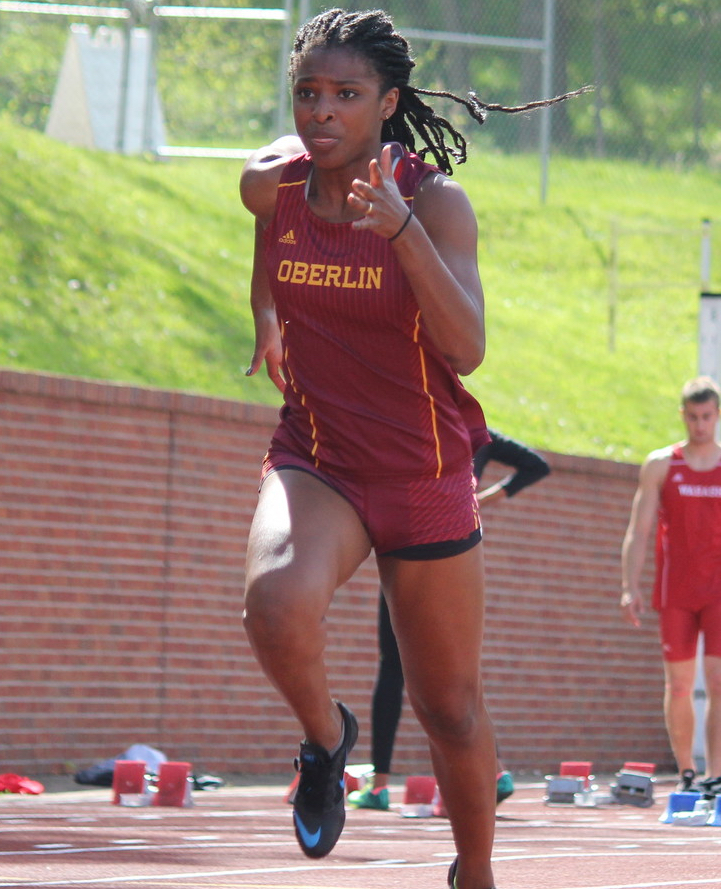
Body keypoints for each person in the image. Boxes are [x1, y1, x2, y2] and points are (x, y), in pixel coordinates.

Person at [237, 10, 581, 887]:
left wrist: (400, 231)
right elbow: (264, 240)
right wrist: (267, 316)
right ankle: (327, 742)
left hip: (424, 474)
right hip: (318, 455)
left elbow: (467, 348)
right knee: (274, 606)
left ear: (387, 104)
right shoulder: (274, 185)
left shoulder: (435, 202)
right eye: (308, 93)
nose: (321, 113)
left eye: (346, 96)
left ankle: (475, 870)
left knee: (450, 709)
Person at [353, 428, 550, 811]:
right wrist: (484, 499)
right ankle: (493, 771)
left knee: (397, 670)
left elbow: (537, 466)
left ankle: (379, 787)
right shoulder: (475, 431)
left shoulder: (415, 426)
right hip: (456, 560)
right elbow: (535, 465)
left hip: (410, 554)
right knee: (458, 675)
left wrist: (482, 498)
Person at [620, 376, 721, 789]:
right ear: (683, 415)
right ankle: (686, 771)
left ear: (718, 415)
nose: (700, 425)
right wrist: (629, 586)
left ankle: (715, 775)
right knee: (679, 684)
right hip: (676, 592)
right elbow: (638, 531)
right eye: (693, 417)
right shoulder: (662, 464)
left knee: (720, 681)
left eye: (707, 417)